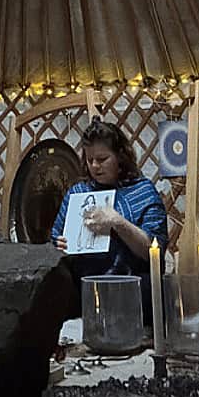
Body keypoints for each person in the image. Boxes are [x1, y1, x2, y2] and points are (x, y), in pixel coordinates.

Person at [51, 120, 168, 318]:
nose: (95, 166)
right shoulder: (77, 193)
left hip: (134, 290)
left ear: (120, 157)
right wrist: (59, 245)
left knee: (155, 288)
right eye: (89, 160)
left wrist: (117, 222)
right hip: (85, 291)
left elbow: (153, 251)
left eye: (102, 159)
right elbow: (55, 241)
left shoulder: (143, 192)